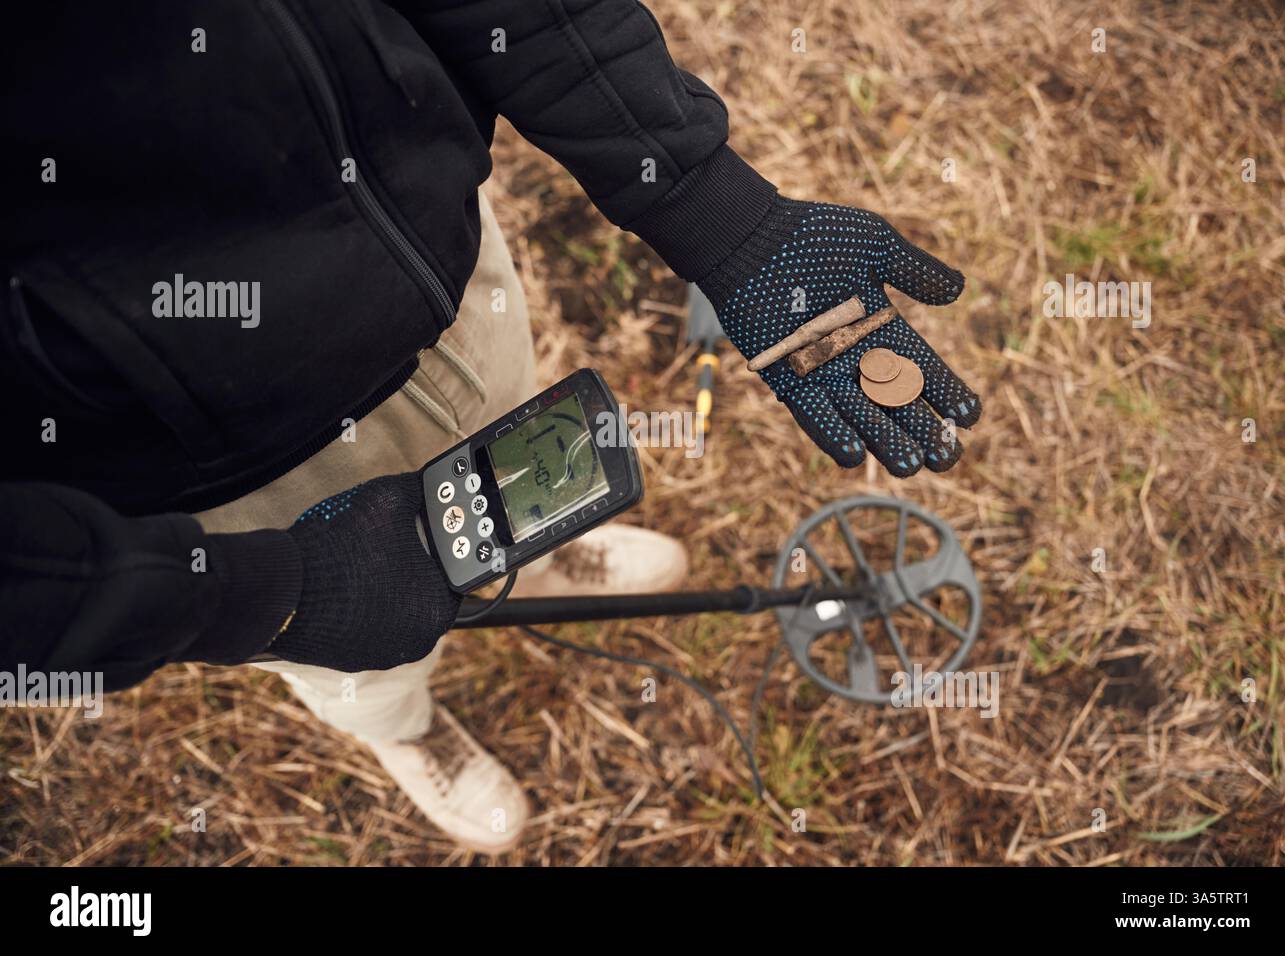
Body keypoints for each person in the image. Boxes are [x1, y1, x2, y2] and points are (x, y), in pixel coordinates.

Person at [0, 1, 980, 855]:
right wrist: (269, 591)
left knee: (522, 439)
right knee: (363, 642)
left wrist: (709, 205)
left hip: (435, 267)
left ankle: (538, 547)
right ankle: (402, 724)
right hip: (223, 464)